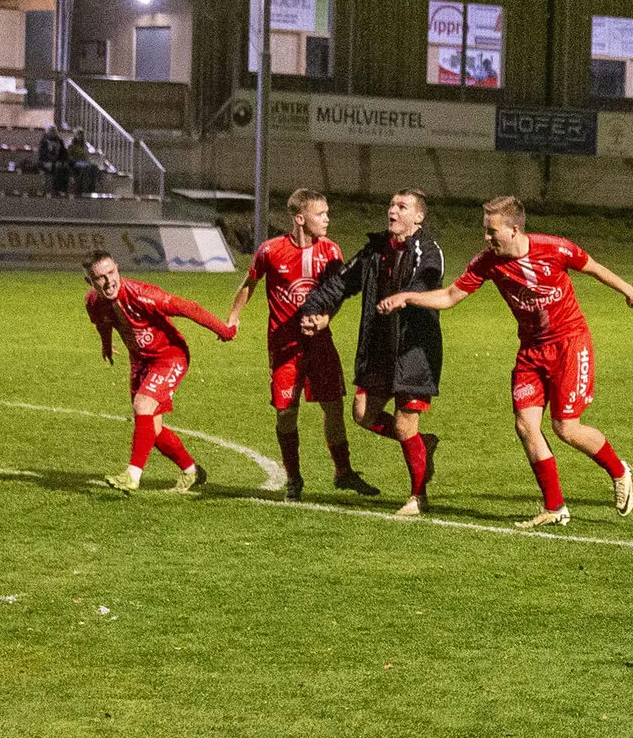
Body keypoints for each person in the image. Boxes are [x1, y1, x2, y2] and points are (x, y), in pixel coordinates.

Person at [379, 196, 633, 529]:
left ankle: (619, 470)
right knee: (525, 425)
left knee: (566, 428)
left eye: (492, 232)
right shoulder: (487, 263)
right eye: (485, 232)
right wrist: (408, 297)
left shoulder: (555, 248)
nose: (486, 239)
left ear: (514, 229)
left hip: (569, 345)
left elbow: (593, 267)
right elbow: (449, 297)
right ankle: (555, 506)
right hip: (531, 351)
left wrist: (629, 290)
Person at [298, 189, 447, 516]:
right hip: (379, 348)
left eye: (402, 206)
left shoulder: (428, 250)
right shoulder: (376, 248)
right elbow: (340, 282)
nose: (392, 210)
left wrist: (406, 296)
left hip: (414, 350)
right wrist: (313, 308)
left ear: (418, 217)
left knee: (406, 426)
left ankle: (417, 498)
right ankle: (424, 447)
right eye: (391, 204)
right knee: (362, 414)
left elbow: (428, 280)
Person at [227, 188, 376, 502]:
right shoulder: (270, 250)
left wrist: (326, 318)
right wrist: (234, 316)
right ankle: (293, 478)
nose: (327, 219)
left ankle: (343, 471)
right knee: (285, 413)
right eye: (320, 214)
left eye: (326, 213)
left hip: (321, 343)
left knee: (333, 407)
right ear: (299, 218)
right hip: (284, 347)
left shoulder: (331, 251)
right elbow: (249, 283)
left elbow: (336, 292)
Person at [82, 250, 235, 493]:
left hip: (169, 356)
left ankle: (132, 475)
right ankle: (192, 471)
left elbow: (188, 308)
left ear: (118, 269)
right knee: (151, 429)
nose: (108, 280)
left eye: (111, 272)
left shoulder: (144, 295)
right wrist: (106, 344)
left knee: (142, 405)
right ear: (90, 281)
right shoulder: (93, 302)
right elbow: (103, 322)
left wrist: (224, 331)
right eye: (100, 277)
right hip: (141, 362)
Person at [38, 125, 67, 194]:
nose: (52, 133)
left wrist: (62, 161)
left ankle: (63, 189)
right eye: (51, 131)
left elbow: (64, 154)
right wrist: (48, 162)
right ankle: (56, 189)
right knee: (55, 167)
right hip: (46, 162)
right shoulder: (44, 142)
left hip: (57, 161)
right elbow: (42, 154)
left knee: (64, 168)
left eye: (54, 131)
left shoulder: (60, 142)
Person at [66, 127, 96, 195]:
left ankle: (90, 188)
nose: (80, 136)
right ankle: (79, 188)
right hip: (74, 163)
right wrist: (76, 161)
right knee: (83, 168)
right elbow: (69, 156)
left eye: (81, 135)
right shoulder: (71, 145)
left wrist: (87, 162)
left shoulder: (84, 146)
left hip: (83, 163)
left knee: (93, 168)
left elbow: (86, 157)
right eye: (78, 134)